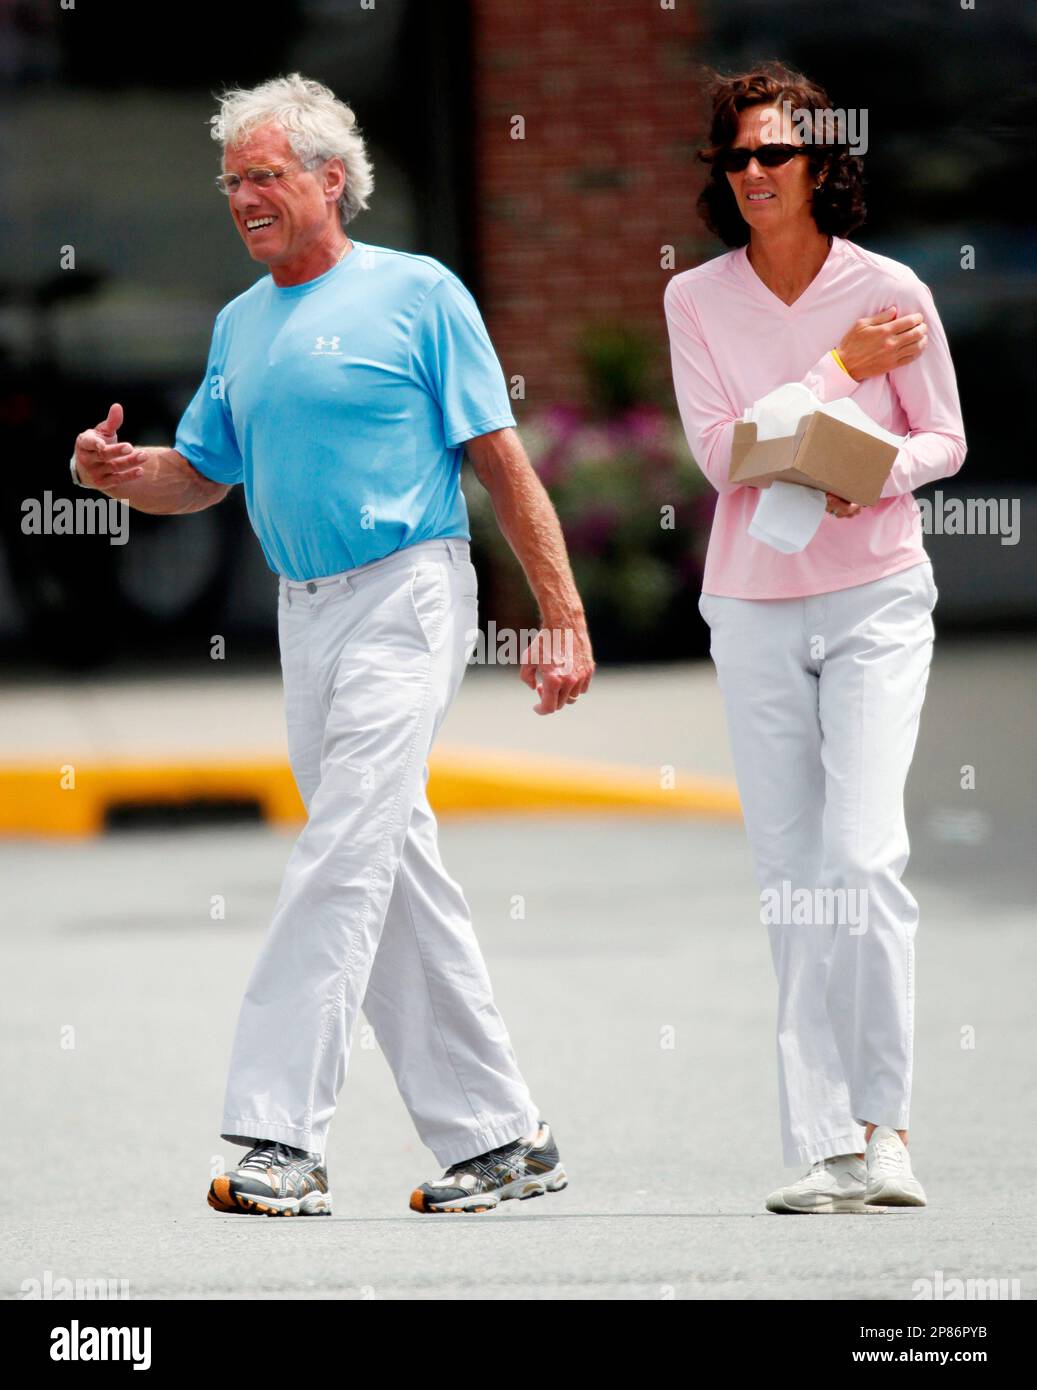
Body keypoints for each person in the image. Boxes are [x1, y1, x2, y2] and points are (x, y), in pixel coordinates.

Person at [70, 72, 594, 1217]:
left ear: (330, 180)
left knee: (340, 852)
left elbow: (502, 465)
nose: (243, 197)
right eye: (231, 181)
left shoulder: (417, 293)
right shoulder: (238, 325)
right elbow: (200, 476)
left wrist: (559, 614)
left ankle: (280, 1137)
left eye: (264, 175)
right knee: (391, 867)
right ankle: (503, 1135)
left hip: (408, 593)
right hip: (304, 612)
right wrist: (118, 475)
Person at [664, 63, 965, 1213]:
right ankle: (823, 1141)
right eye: (733, 157)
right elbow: (720, 455)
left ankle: (885, 1130)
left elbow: (942, 436)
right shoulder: (692, 299)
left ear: (818, 163)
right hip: (749, 602)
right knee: (791, 878)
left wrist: (879, 472)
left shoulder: (890, 289)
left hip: (876, 595)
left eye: (772, 155)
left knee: (861, 857)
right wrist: (837, 374)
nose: (750, 174)